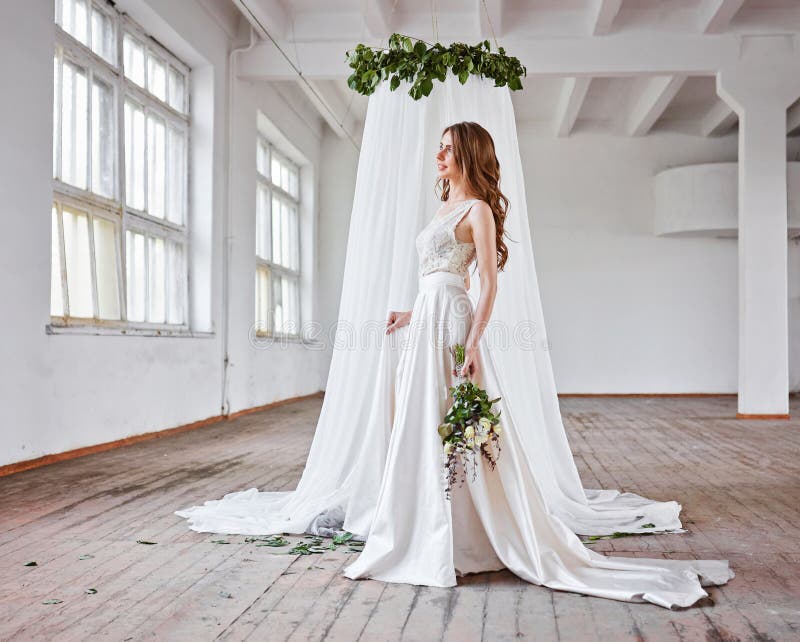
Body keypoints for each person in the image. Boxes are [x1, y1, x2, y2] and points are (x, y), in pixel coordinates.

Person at [341, 121, 733, 608]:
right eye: (439, 148)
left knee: (460, 421)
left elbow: (486, 285)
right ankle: (428, 526)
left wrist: (475, 342)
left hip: (455, 324)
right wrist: (411, 311)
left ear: (468, 154)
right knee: (426, 422)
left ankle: (472, 534)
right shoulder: (443, 206)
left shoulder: (477, 209)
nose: (438, 156)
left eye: (448, 149)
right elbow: (434, 279)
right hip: (427, 320)